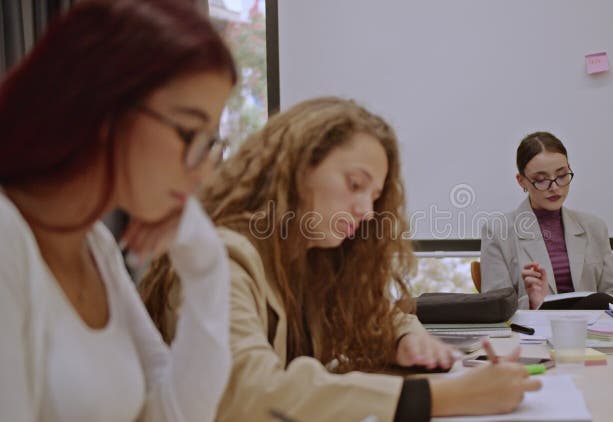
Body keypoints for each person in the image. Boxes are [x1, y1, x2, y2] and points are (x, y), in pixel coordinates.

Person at [139, 97, 541, 422]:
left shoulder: (312, 257)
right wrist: (443, 396)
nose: (367, 210)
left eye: (374, 196)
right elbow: (245, 394)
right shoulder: (222, 255)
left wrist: (405, 336)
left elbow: (375, 313)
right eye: (354, 185)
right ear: (295, 167)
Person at [0, 1, 236, 420]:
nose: (203, 170)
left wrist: (205, 262)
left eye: (211, 141)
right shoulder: (7, 235)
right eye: (190, 133)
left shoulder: (93, 244)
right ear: (108, 105)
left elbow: (171, 413)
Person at [480, 132, 613, 310]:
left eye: (561, 175)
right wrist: (532, 303)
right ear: (521, 181)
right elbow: (495, 306)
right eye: (541, 180)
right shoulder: (498, 231)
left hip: (591, 333)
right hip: (532, 333)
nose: (555, 187)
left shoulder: (594, 227)